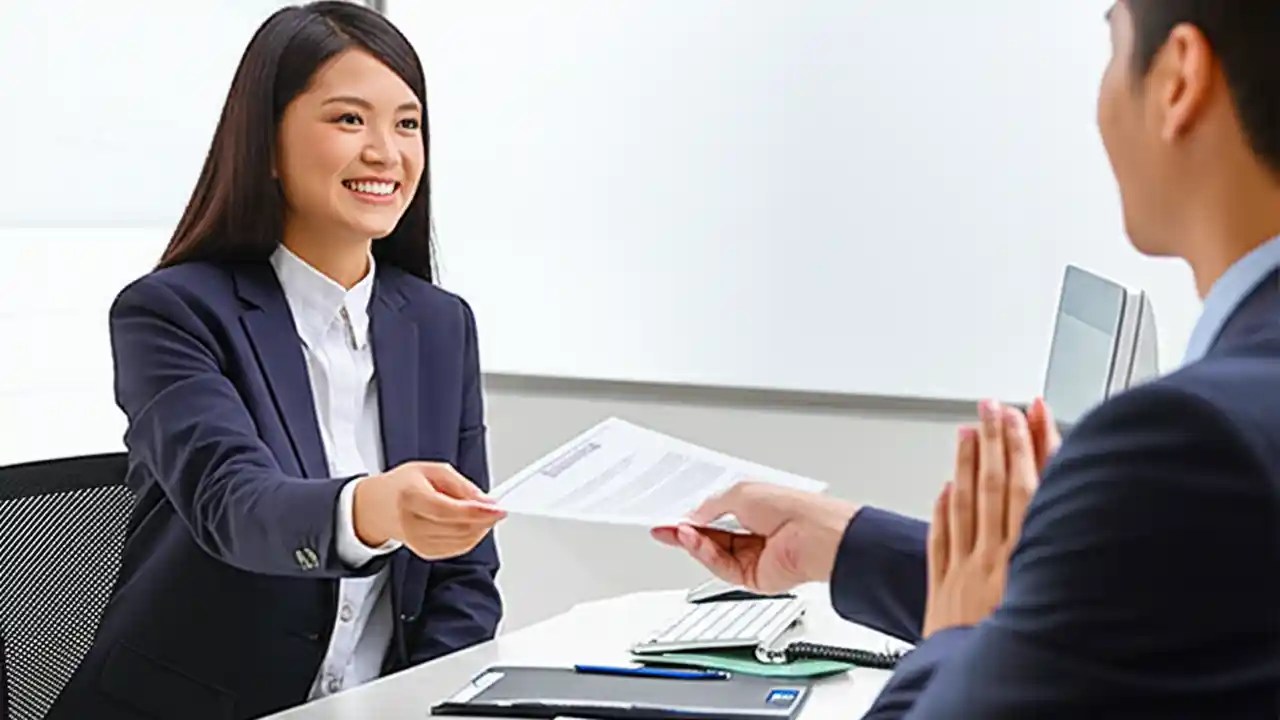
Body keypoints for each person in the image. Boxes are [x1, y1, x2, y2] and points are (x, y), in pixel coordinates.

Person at [656, 1, 1280, 716]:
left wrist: (959, 637)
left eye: (1113, 48)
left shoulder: (1193, 441)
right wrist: (842, 542)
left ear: (1178, 80)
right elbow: (1125, 604)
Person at [47, 4, 507, 718]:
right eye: (349, 119)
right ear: (265, 144)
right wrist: (372, 508)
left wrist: (431, 704)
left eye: (407, 123)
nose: (387, 151)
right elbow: (235, 506)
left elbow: (464, 576)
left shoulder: (440, 325)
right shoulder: (171, 313)